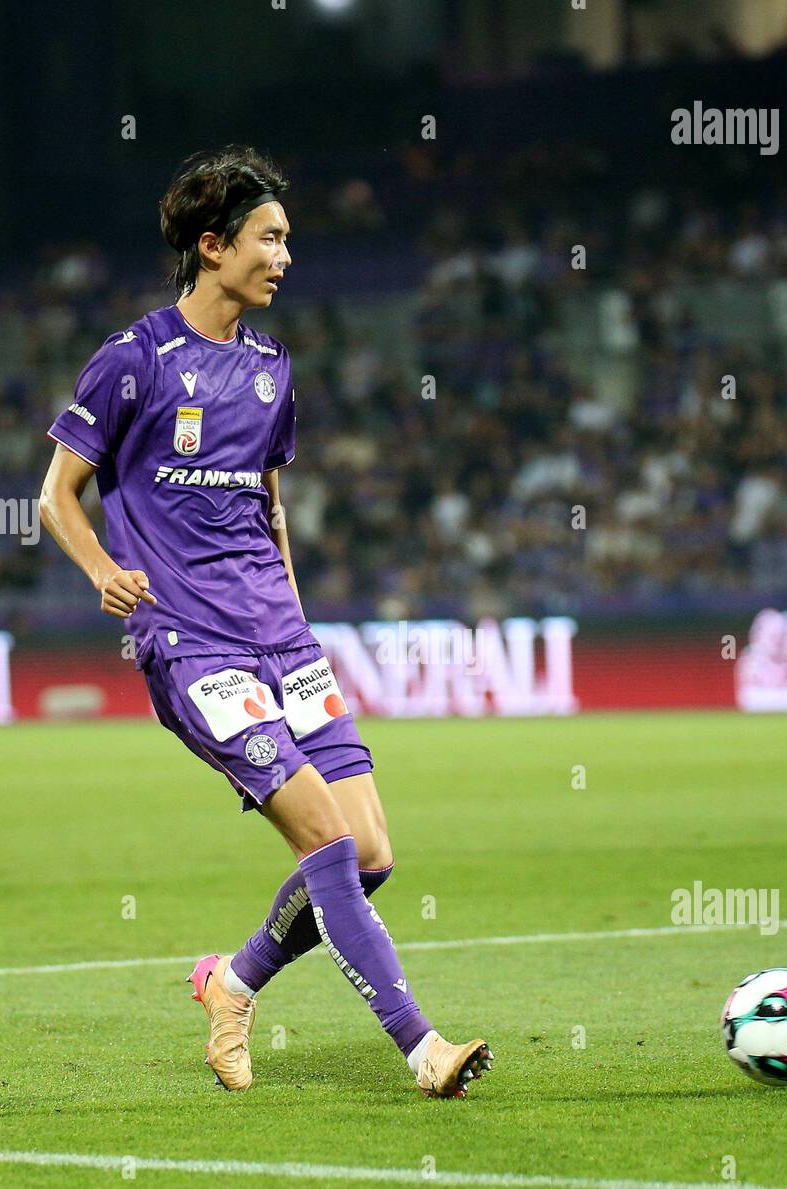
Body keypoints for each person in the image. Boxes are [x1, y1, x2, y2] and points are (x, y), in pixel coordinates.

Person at [39, 144, 492, 1099]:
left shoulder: (273, 368)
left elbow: (268, 505)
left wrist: (292, 614)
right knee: (324, 845)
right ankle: (422, 1047)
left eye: (287, 240)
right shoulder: (135, 360)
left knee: (370, 857)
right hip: (191, 643)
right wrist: (103, 569)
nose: (286, 258)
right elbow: (56, 496)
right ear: (214, 246)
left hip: (282, 639)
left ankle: (233, 980)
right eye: (270, 239)